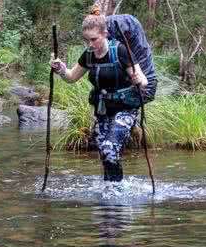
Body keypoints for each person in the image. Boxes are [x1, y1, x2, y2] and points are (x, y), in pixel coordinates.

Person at [51, 12, 149, 182]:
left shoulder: (120, 50)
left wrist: (138, 80)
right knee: (105, 154)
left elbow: (143, 80)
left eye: (94, 39)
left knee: (109, 148)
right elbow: (71, 77)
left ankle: (116, 190)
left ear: (105, 34)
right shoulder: (89, 54)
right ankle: (111, 190)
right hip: (103, 111)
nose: (90, 44)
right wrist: (60, 69)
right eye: (87, 40)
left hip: (125, 109)